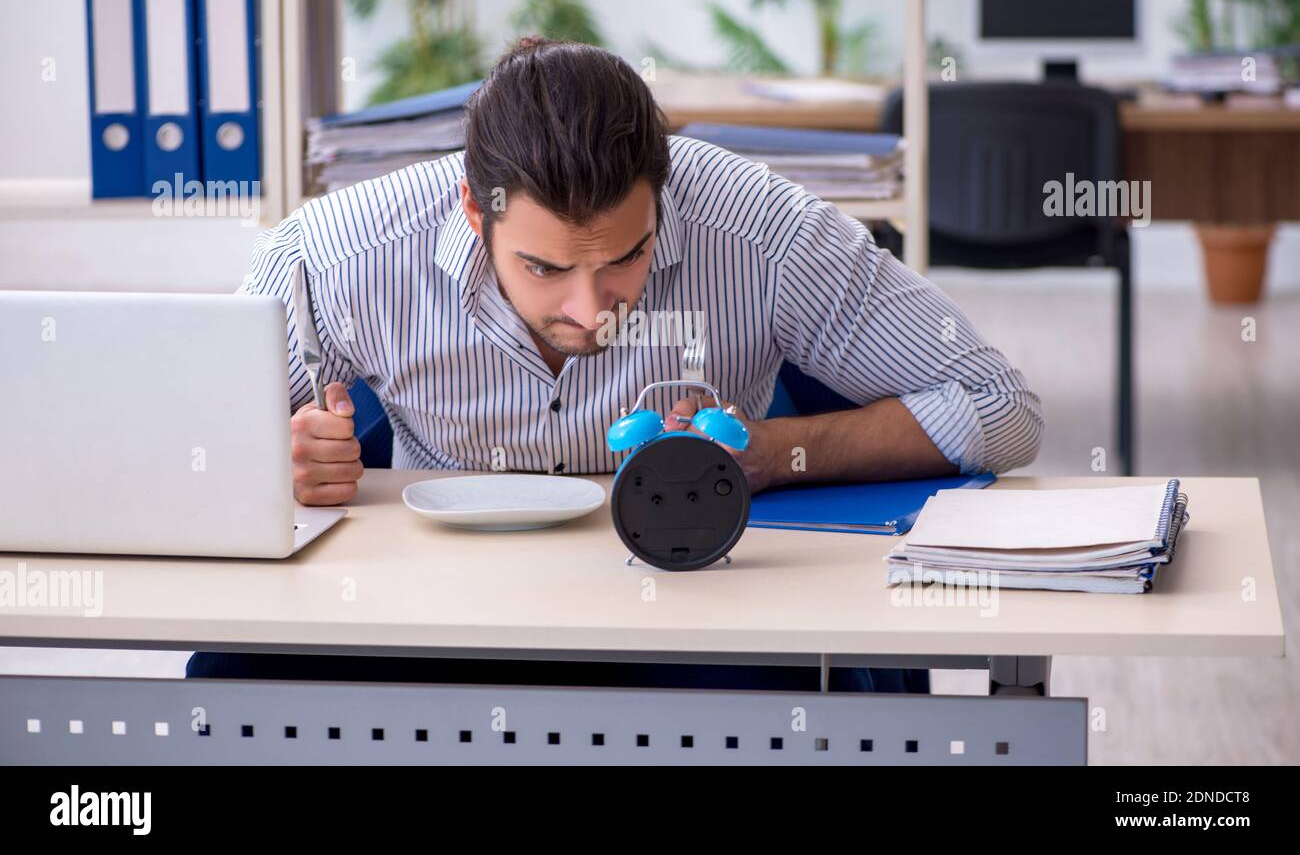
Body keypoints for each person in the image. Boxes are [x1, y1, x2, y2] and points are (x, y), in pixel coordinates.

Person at [188, 37, 1043, 693]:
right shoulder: (337, 254)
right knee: (234, 680)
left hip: (699, 615)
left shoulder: (764, 231)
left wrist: (777, 451)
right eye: (545, 269)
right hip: (438, 612)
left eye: (625, 258)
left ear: (662, 195)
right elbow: (198, 456)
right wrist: (285, 460)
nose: (592, 310)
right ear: (472, 210)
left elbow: (1001, 405)